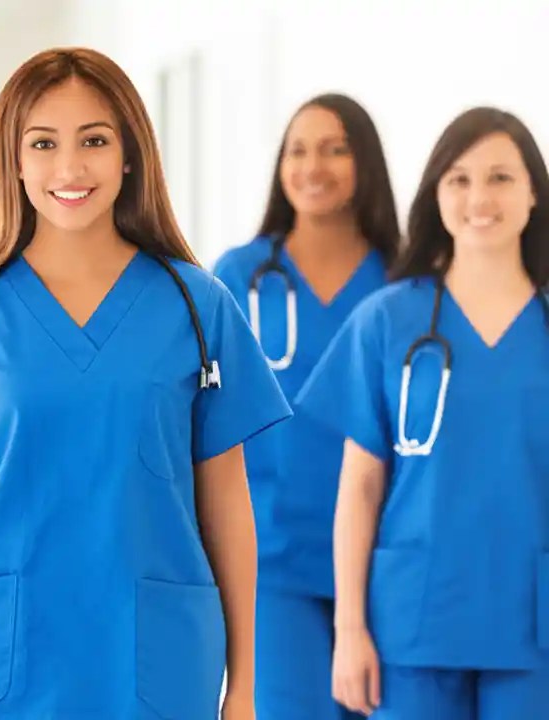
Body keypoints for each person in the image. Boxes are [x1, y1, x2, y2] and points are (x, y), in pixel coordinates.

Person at [0, 47, 291, 720]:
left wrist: (243, 688)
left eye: (94, 140)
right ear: (14, 159)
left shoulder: (198, 306)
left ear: (129, 154)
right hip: (5, 655)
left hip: (157, 655)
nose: (69, 168)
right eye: (43, 143)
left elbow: (227, 506)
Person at [299, 106, 549, 719]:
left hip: (532, 621)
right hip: (413, 623)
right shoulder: (388, 322)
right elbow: (359, 487)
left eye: (500, 178)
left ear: (534, 194)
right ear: (435, 193)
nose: (478, 198)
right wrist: (350, 629)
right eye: (458, 179)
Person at [212, 93, 400, 719]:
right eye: (298, 149)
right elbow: (202, 419)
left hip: (385, 559)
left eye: (335, 148)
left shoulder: (403, 284)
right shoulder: (238, 278)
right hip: (273, 558)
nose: (313, 165)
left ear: (366, 162)